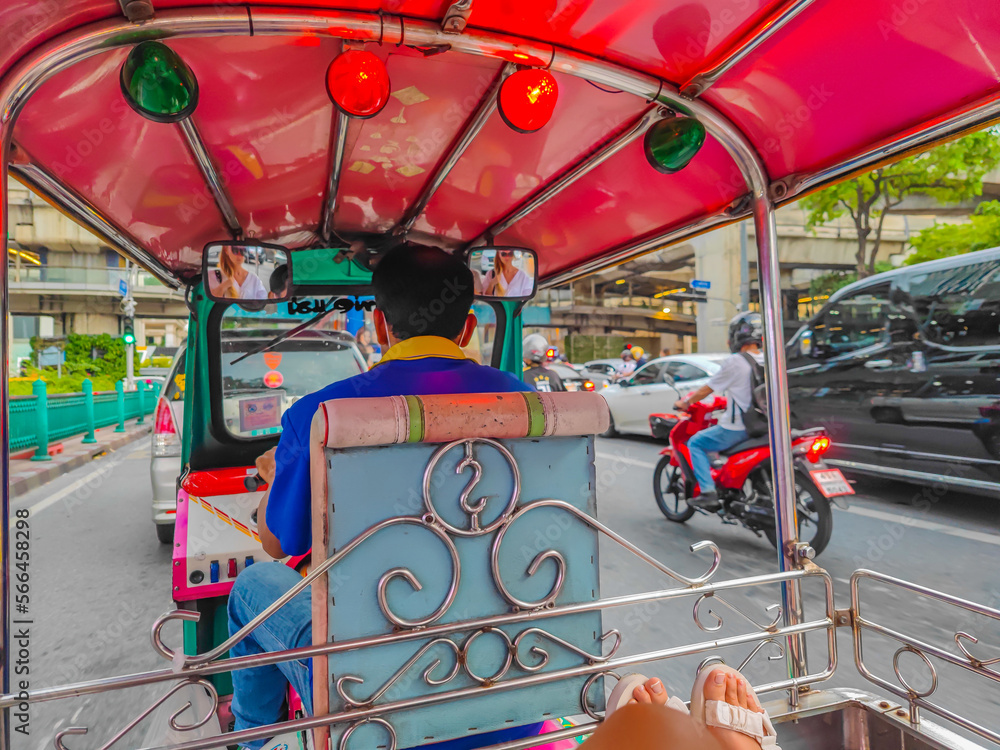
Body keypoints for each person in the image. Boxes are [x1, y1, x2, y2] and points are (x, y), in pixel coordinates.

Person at [227, 244, 540, 750]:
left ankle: (257, 742)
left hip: (365, 701)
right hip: (513, 682)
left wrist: (272, 480)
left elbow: (277, 543)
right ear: (467, 330)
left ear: (378, 325)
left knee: (253, 584)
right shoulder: (530, 408)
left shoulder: (318, 416)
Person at [673, 312, 764, 511]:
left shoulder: (735, 361)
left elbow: (707, 388)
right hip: (767, 426)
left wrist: (686, 403)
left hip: (740, 427)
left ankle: (708, 492)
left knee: (696, 443)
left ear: (737, 336)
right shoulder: (769, 359)